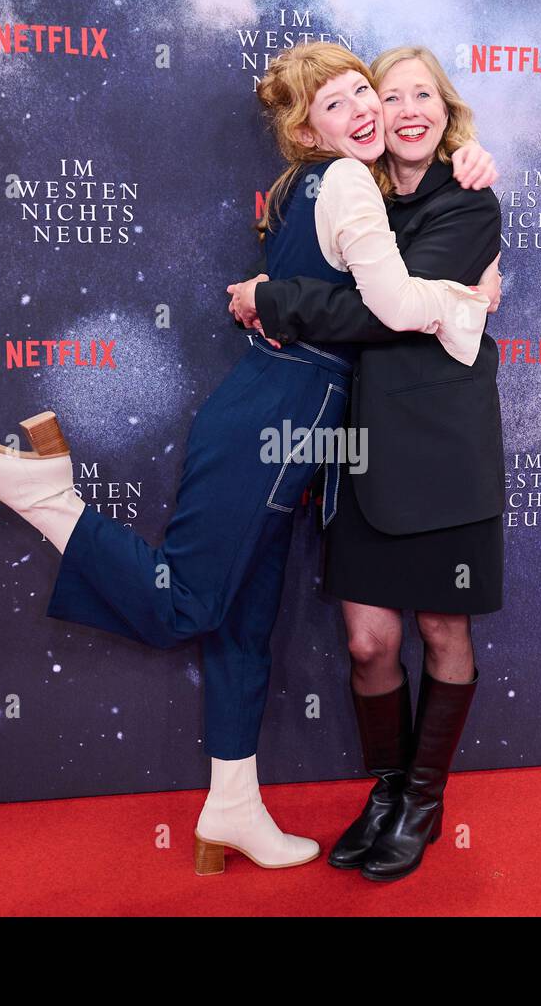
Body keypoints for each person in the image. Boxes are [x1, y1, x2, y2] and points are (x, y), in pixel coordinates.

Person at [0, 41, 501, 877]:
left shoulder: (338, 187)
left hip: (299, 419)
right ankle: (48, 495)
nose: (367, 109)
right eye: (337, 104)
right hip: (284, 411)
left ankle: (232, 800)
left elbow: (344, 291)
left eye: (365, 90)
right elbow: (394, 307)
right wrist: (463, 301)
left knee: (241, 622)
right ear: (305, 130)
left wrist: (272, 296)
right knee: (186, 605)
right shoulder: (340, 182)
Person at [227, 45, 505, 882]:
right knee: (368, 638)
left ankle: (423, 801)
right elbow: (373, 302)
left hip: (447, 448)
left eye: (424, 93)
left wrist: (270, 297)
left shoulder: (472, 202)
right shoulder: (351, 188)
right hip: (363, 444)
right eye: (391, 95)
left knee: (440, 627)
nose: (406, 108)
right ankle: (386, 791)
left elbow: (386, 312)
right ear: (367, 112)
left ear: (446, 107)